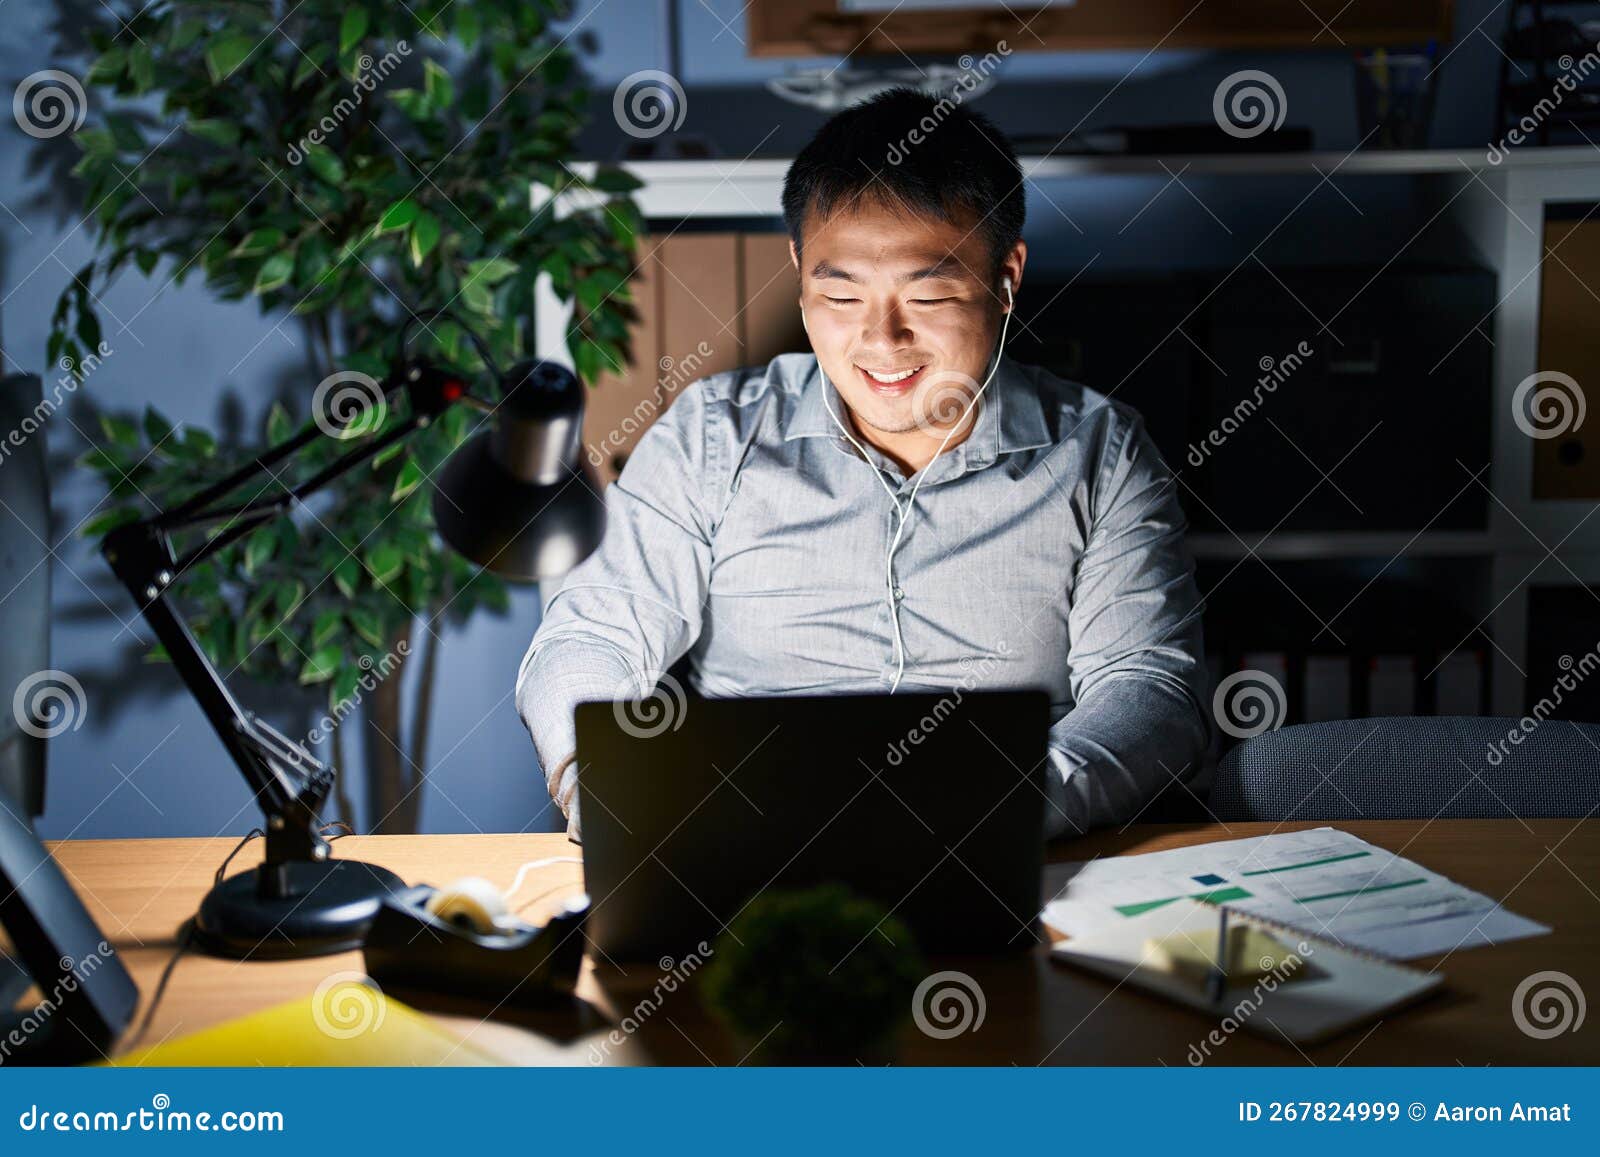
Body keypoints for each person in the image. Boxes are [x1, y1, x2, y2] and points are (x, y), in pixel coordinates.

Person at [517, 88, 1210, 842]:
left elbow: (1150, 688)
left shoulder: (1100, 453)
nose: (882, 341)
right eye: (839, 293)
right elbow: (591, 638)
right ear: (799, 270)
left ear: (1007, 277)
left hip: (1011, 843)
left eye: (931, 291)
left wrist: (1005, 809)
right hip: (748, 844)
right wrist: (606, 788)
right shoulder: (710, 436)